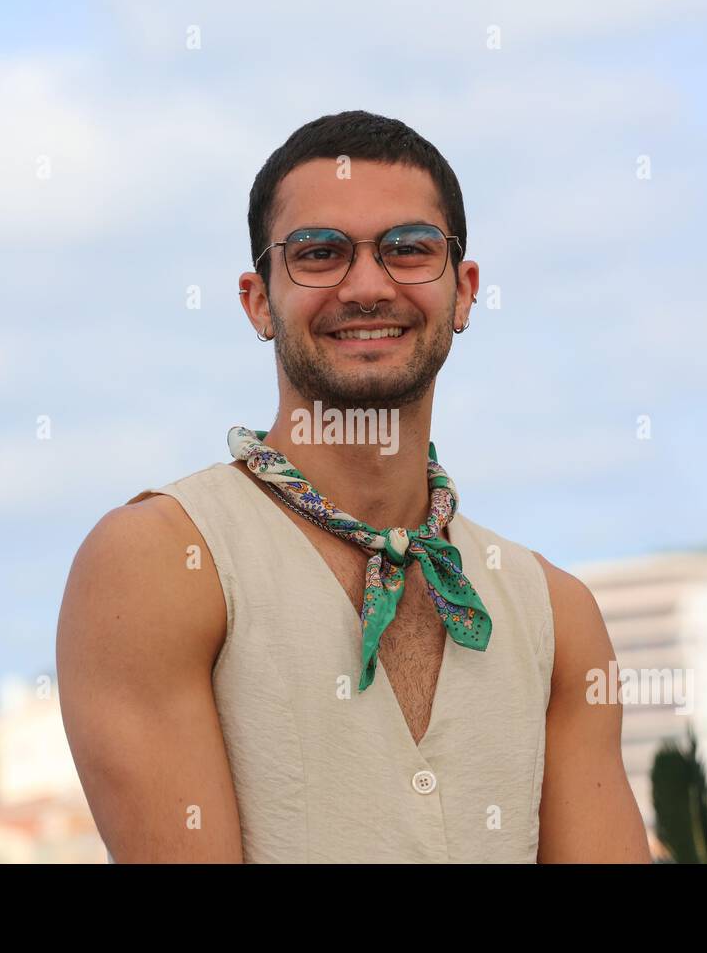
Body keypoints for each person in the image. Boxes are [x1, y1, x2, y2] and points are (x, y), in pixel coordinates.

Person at [56, 110, 651, 863]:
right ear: (257, 300)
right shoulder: (162, 561)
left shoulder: (559, 615)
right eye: (318, 253)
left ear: (464, 291)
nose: (367, 286)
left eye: (409, 249)